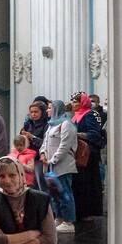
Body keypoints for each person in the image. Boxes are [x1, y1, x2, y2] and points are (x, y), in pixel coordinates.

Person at [39, 98, 78, 233]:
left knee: (65, 193)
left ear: (56, 109)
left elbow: (65, 146)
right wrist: (43, 154)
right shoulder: (51, 125)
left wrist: (52, 160)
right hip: (50, 167)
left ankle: (69, 221)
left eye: (50, 108)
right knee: (55, 194)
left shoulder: (66, 124)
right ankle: (59, 217)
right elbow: (45, 143)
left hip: (63, 166)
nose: (48, 110)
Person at [70, 91, 107, 222]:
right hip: (77, 153)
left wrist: (76, 134)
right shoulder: (75, 116)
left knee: (88, 183)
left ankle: (88, 212)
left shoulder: (90, 115)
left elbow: (94, 134)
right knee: (79, 183)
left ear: (82, 103)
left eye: (76, 101)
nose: (73, 104)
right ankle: (80, 211)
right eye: (73, 101)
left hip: (88, 155)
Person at [19, 98, 51, 191]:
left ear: (43, 112)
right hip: (29, 158)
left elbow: (45, 143)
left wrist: (32, 137)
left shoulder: (47, 124)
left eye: (36, 112)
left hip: (40, 158)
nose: (33, 114)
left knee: (41, 184)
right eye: (31, 112)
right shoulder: (29, 124)